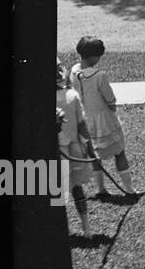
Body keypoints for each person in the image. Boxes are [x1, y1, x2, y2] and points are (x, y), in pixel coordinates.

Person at [70, 37, 136, 197]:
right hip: (104, 120)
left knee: (94, 156)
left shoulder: (74, 70)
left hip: (86, 121)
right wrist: (112, 105)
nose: (99, 59)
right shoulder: (100, 76)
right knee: (119, 152)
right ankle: (129, 189)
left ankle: (100, 189)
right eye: (98, 56)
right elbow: (110, 99)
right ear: (92, 56)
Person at [57, 61, 94, 236]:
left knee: (59, 194)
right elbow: (82, 125)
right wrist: (90, 147)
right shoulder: (72, 95)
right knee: (76, 188)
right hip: (74, 149)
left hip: (58, 152)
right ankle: (86, 228)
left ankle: (65, 229)